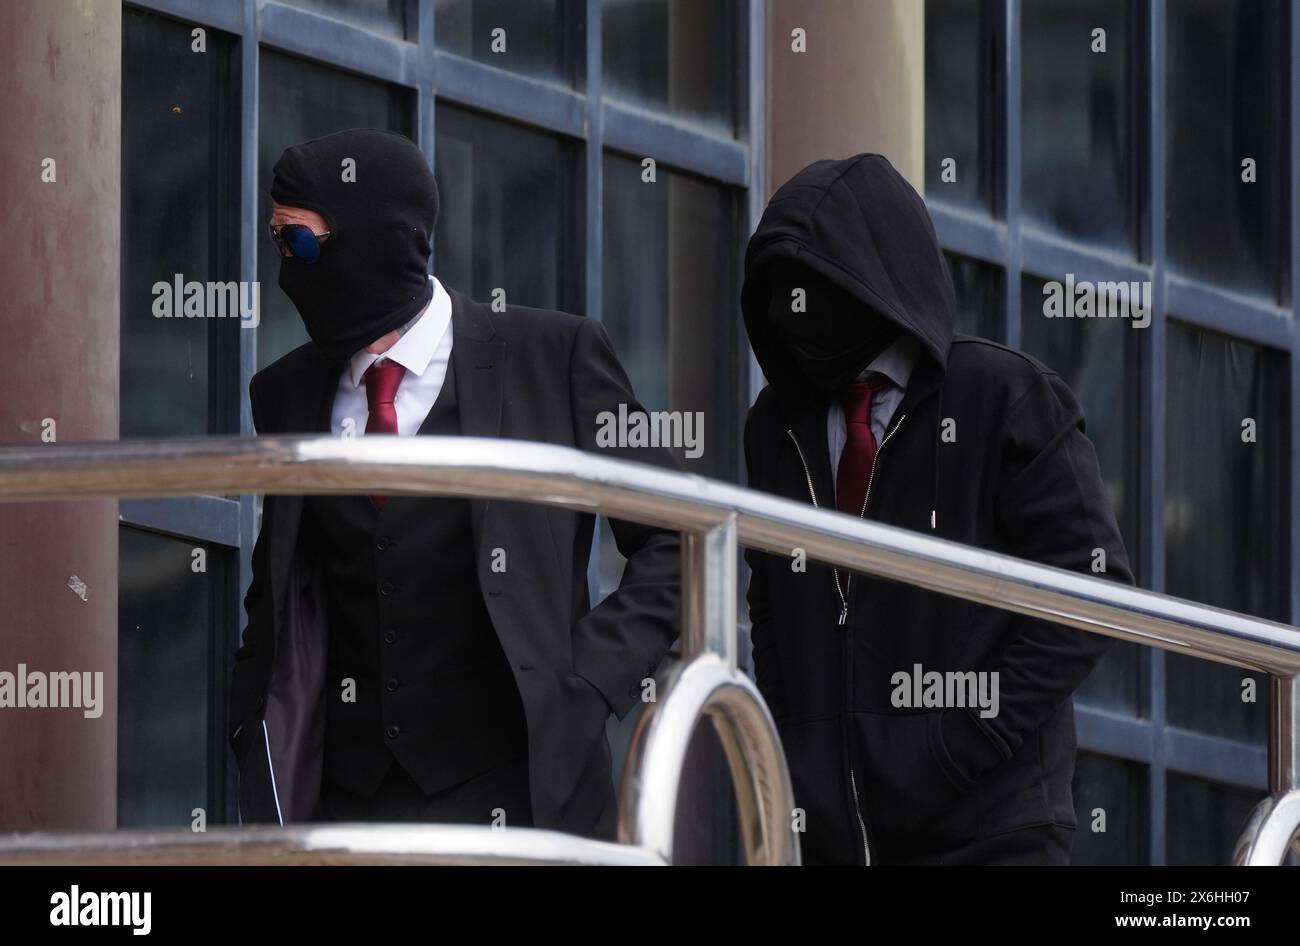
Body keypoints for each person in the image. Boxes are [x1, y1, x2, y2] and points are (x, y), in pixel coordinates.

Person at [228, 128, 680, 838]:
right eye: (276, 241)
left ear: (378, 240)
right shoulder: (284, 393)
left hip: (519, 794)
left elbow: (678, 536)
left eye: (302, 243)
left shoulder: (554, 356)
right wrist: (248, 721)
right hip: (349, 806)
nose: (286, 267)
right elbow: (280, 589)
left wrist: (587, 680)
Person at [741, 153, 1133, 865]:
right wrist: (798, 760)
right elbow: (770, 602)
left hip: (993, 838)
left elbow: (1093, 587)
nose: (786, 309)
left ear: (869, 275)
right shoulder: (775, 427)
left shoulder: (1004, 398)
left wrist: (960, 741)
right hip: (833, 846)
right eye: (775, 290)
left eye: (806, 285)